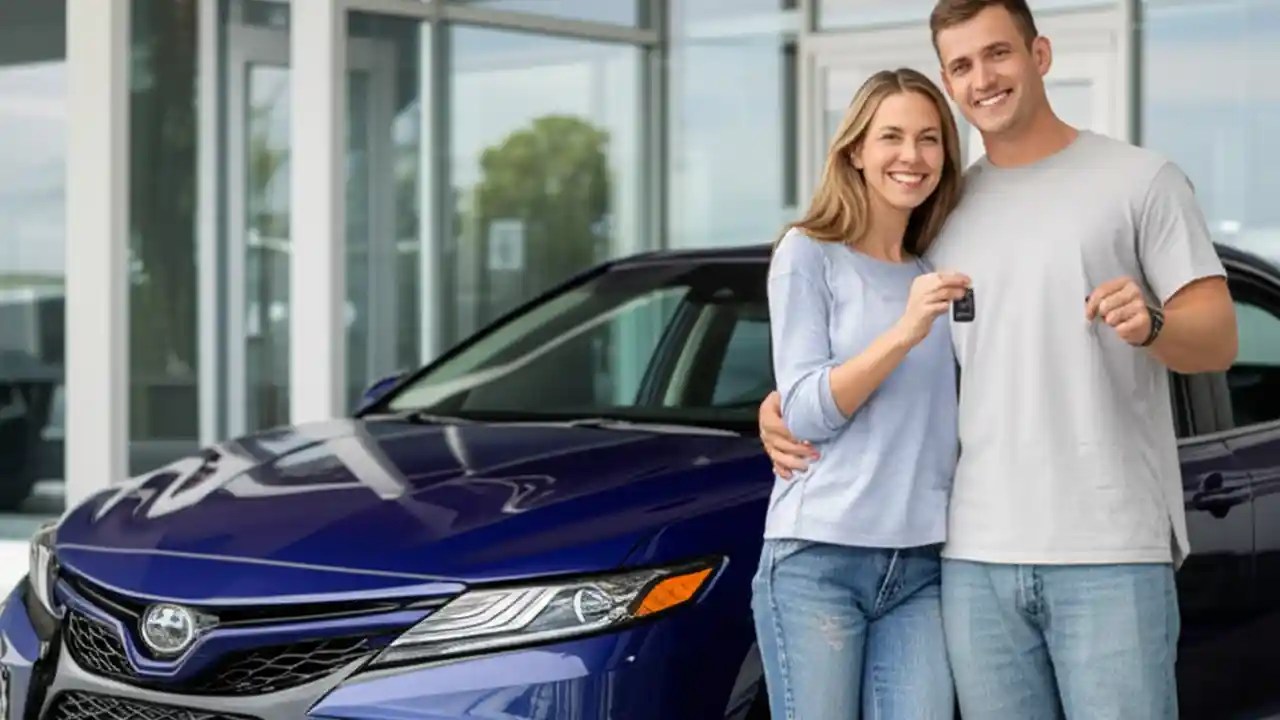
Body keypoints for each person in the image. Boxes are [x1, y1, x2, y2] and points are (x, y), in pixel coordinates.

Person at [757, 1, 1238, 718]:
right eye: (961, 65)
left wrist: (1154, 323)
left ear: (1039, 55)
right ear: (950, 83)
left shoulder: (1142, 180)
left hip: (1108, 548)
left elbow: (1220, 338)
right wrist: (779, 405)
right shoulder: (942, 211)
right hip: (970, 555)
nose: (983, 77)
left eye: (999, 54)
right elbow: (871, 321)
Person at [751, 67, 969, 720]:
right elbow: (810, 412)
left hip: (924, 564)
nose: (912, 156)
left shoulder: (938, 270)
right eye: (892, 137)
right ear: (856, 151)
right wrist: (905, 329)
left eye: (930, 139)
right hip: (819, 558)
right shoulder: (808, 253)